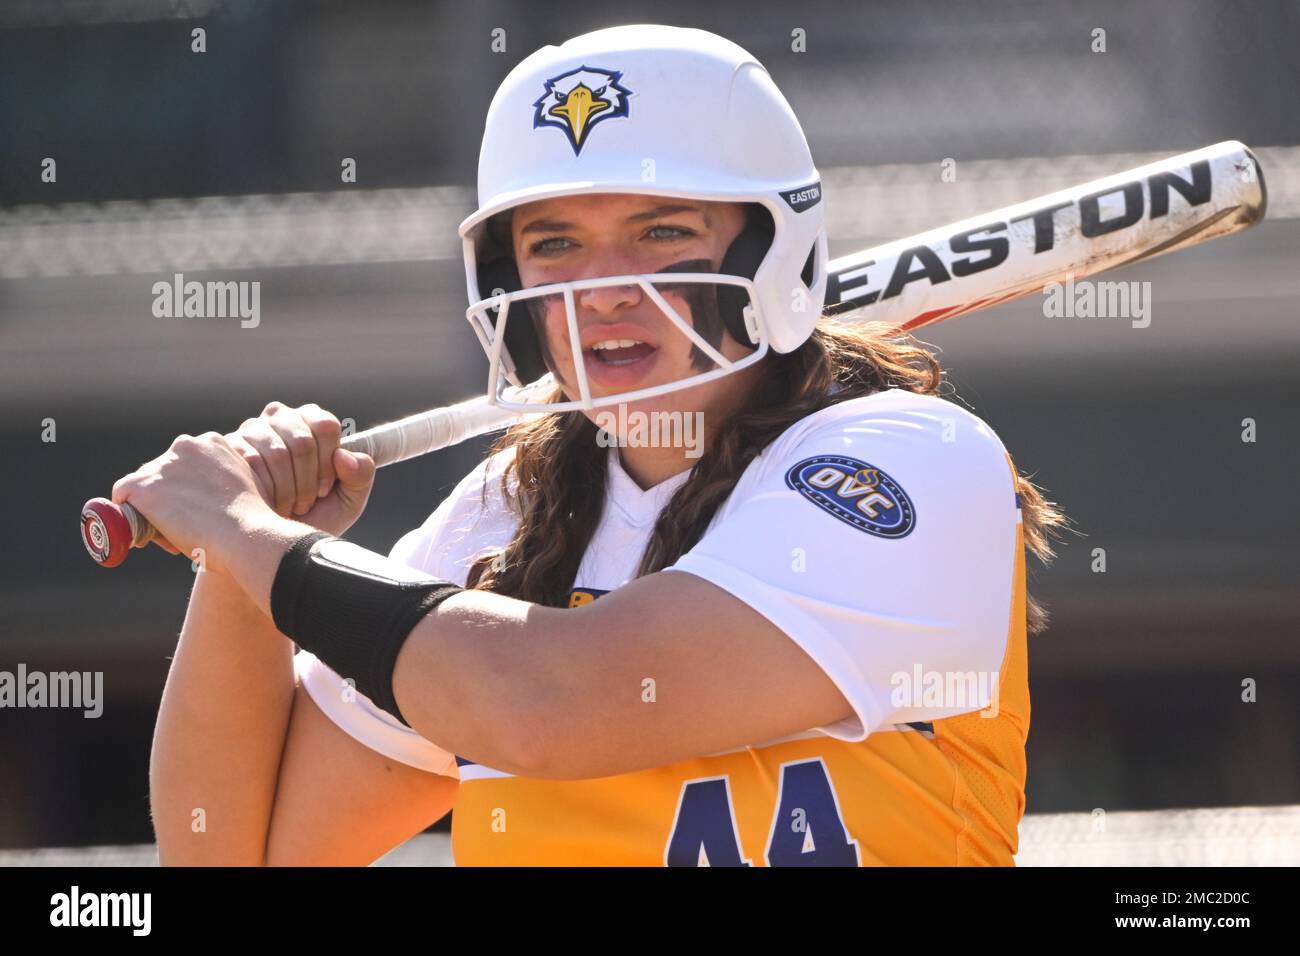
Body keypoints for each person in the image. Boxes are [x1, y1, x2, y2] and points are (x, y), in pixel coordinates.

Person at [136, 24, 1063, 866]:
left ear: (772, 254)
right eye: (555, 244)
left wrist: (263, 543)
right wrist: (237, 563)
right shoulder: (504, 514)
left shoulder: (907, 462)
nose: (603, 290)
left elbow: (548, 703)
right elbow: (230, 858)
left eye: (661, 232)